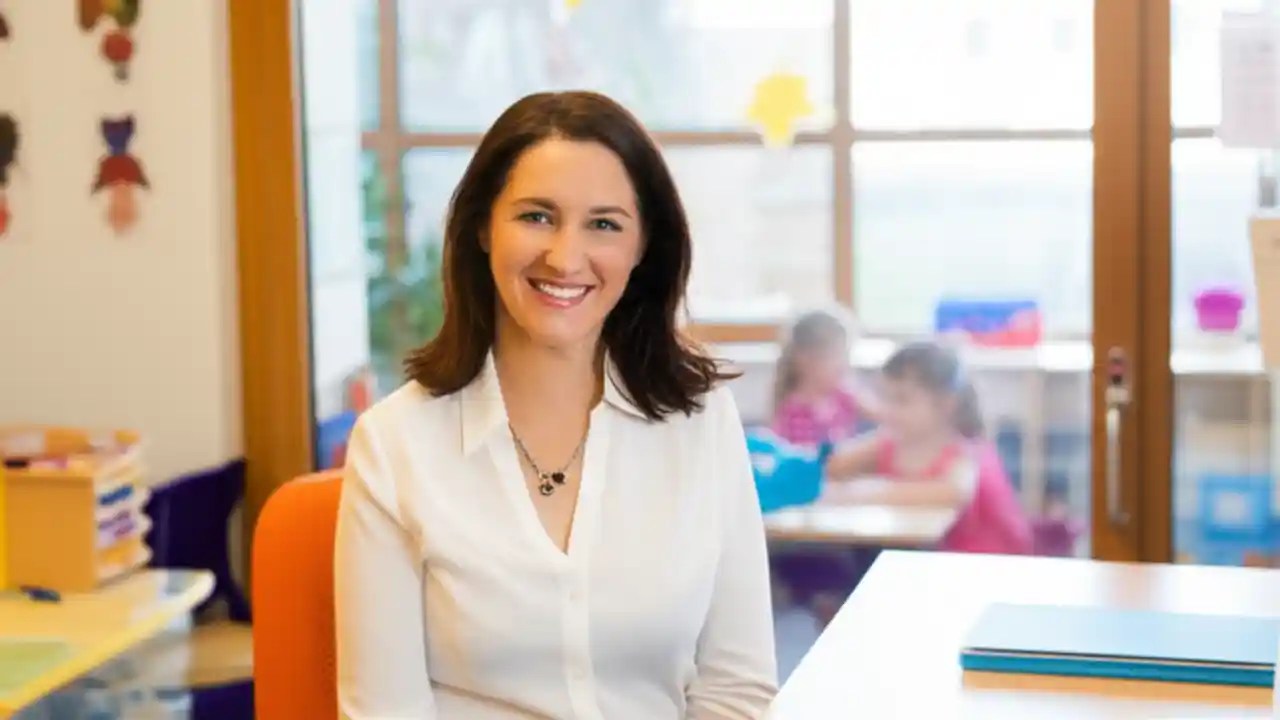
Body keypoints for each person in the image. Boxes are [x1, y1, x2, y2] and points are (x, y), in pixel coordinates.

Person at [334, 91, 777, 720]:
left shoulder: (701, 422)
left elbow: (737, 689)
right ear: (484, 228)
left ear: (642, 245)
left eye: (603, 224)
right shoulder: (394, 443)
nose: (565, 258)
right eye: (537, 216)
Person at [824, 341, 1032, 555]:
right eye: (885, 398)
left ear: (946, 404)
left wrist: (865, 491)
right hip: (927, 560)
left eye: (902, 400)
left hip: (985, 567)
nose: (888, 410)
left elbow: (953, 492)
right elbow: (832, 466)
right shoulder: (891, 442)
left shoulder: (966, 449)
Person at [771, 308, 878, 448]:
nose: (843, 364)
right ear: (805, 360)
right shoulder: (796, 411)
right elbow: (805, 461)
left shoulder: (844, 395)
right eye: (834, 355)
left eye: (845, 355)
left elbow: (884, 416)